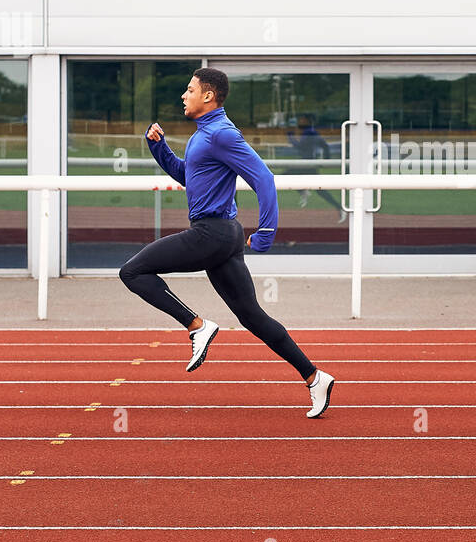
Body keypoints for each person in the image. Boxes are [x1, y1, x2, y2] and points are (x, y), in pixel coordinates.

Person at [118, 67, 334, 418]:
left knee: (132, 272)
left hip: (212, 234)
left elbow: (263, 177)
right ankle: (314, 377)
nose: (183, 96)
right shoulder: (204, 134)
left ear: (208, 96)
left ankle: (197, 326)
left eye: (189, 90)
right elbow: (188, 176)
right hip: (223, 235)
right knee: (253, 317)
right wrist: (158, 149)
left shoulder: (221, 133)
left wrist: (267, 230)